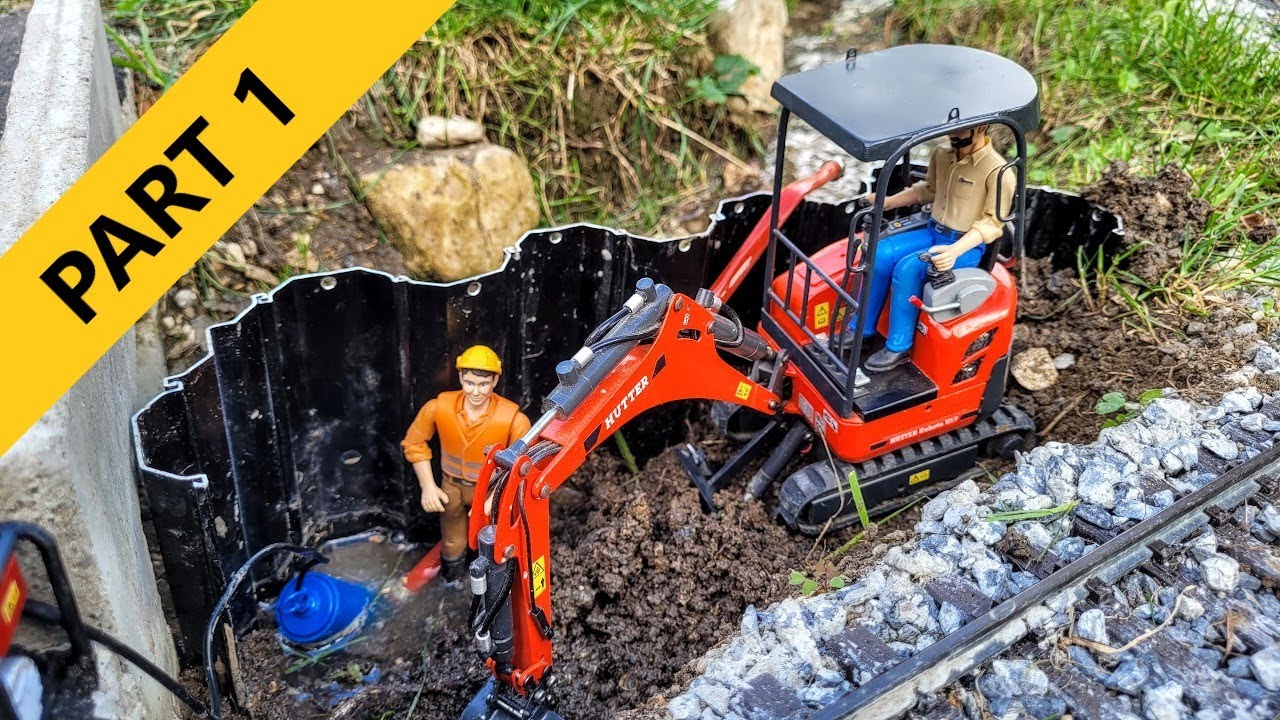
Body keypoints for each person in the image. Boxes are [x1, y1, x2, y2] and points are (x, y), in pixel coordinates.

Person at [848, 125, 1013, 372]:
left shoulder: (997, 171)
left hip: (964, 245)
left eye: (962, 130)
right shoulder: (942, 154)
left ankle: (898, 347)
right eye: (953, 129)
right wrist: (888, 202)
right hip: (933, 232)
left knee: (909, 269)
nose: (954, 135)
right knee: (881, 253)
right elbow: (928, 190)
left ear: (982, 128)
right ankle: (861, 329)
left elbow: (992, 223)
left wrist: (955, 250)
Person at [401, 345, 531, 584]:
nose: (476, 391)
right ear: (460, 377)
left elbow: (521, 466)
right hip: (451, 487)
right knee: (453, 541)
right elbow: (414, 443)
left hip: (491, 490)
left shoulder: (513, 419)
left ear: (495, 381)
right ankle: (452, 581)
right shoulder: (439, 407)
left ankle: (494, 588)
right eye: (469, 383)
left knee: (493, 542)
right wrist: (428, 486)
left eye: (483, 384)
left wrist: (495, 497)